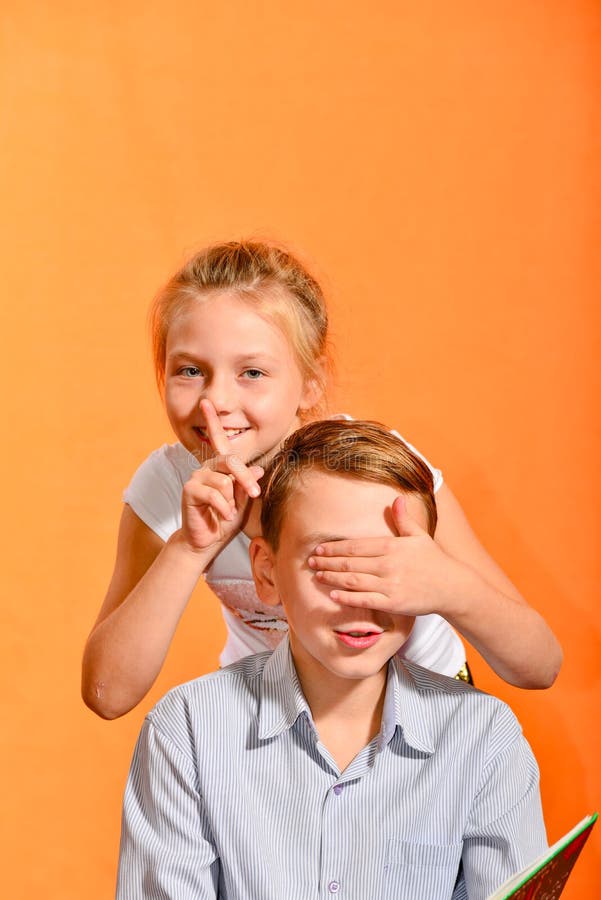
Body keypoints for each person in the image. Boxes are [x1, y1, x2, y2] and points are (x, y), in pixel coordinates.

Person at [82, 240, 561, 720]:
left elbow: (539, 664)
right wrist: (188, 548)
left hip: (421, 714)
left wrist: (447, 586)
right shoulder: (168, 487)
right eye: (190, 370)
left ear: (311, 382)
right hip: (278, 718)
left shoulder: (374, 473)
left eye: (251, 371)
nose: (218, 400)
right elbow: (108, 694)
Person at [116, 420, 548, 899]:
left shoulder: (485, 739)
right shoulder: (188, 735)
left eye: (386, 569)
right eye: (331, 564)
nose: (359, 601)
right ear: (266, 572)